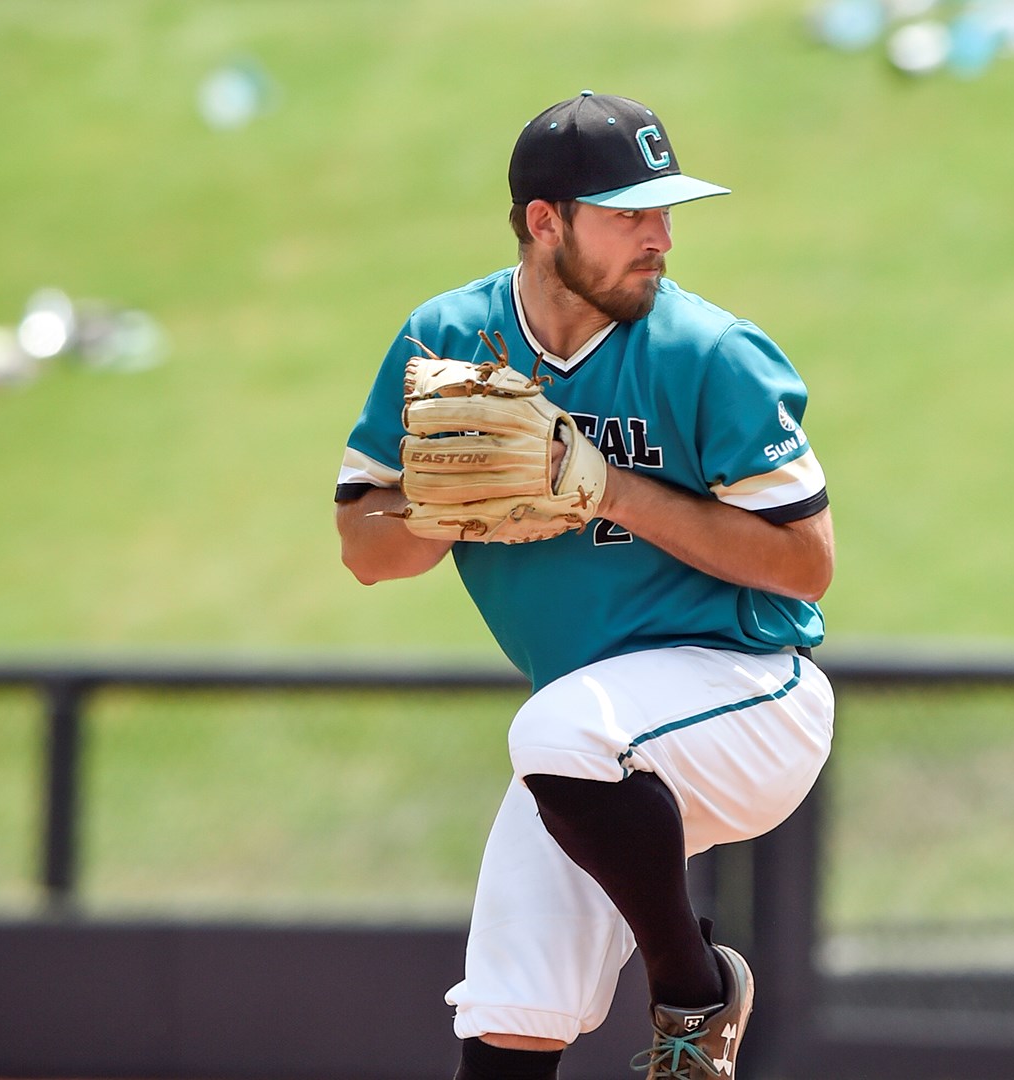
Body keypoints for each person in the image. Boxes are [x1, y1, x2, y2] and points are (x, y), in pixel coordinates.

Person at [333, 90, 835, 1079]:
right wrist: (456, 501)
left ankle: (694, 990)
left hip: (748, 697)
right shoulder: (447, 337)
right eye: (629, 214)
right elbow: (366, 548)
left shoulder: (709, 354)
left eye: (666, 211)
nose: (661, 239)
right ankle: (686, 1038)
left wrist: (607, 489)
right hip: (590, 759)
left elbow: (804, 564)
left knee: (555, 734)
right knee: (506, 1021)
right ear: (545, 222)